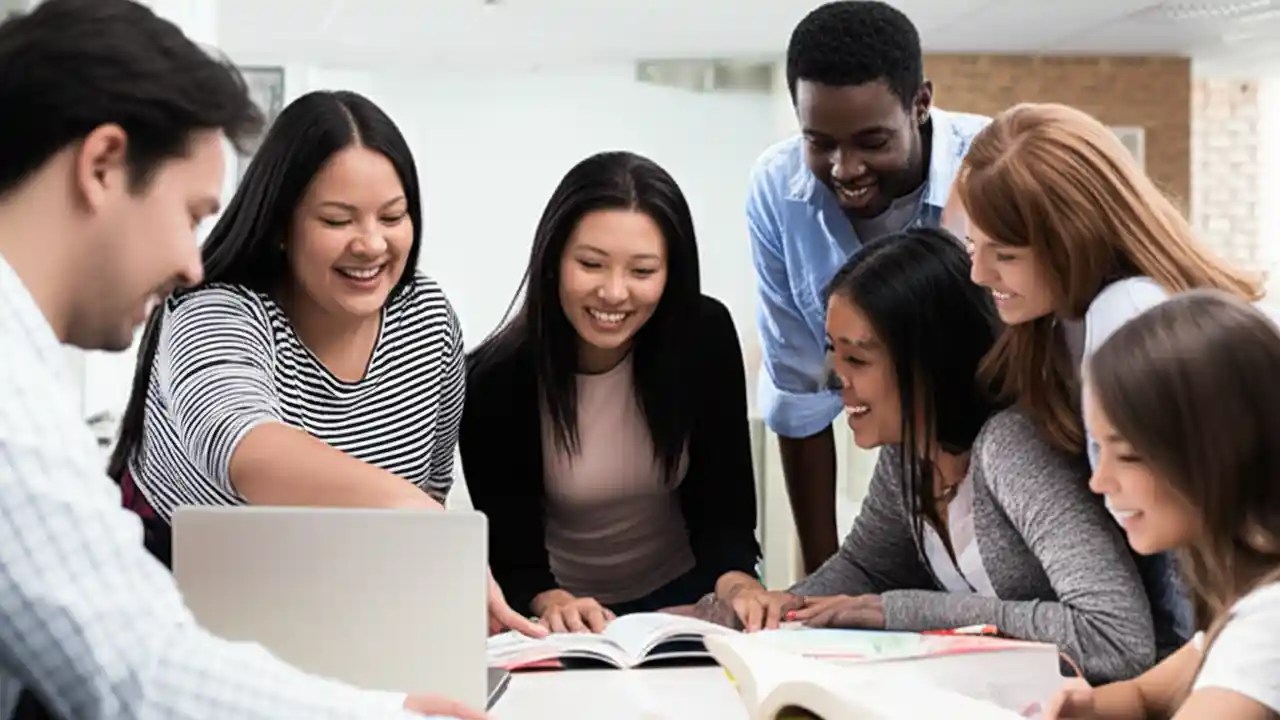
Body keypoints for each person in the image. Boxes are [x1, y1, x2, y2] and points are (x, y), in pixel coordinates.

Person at [0, 0, 484, 716]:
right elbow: (132, 662)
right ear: (102, 166)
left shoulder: (24, 370)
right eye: (192, 215)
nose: (190, 264)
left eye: (391, 216)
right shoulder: (14, 396)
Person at [104, 87, 542, 642]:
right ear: (283, 225)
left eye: (393, 216)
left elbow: (428, 493)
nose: (371, 244)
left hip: (339, 615)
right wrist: (414, 514)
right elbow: (247, 450)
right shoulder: (214, 310)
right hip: (174, 608)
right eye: (338, 220)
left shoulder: (428, 320)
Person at [719, 229, 1154, 684]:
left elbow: (1116, 639)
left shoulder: (1013, 448)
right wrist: (776, 610)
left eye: (858, 360)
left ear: (928, 361)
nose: (832, 380)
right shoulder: (907, 454)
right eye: (834, 353)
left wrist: (902, 612)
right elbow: (866, 569)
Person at [957, 101, 1267, 657]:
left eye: (1003, 253)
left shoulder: (1128, 314)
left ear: (1071, 238)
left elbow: (1182, 562)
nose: (980, 274)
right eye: (972, 247)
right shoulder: (1068, 319)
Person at [461, 151, 762, 631]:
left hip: (686, 603)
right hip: (563, 614)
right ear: (553, 260)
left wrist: (740, 583)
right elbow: (513, 556)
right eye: (591, 264)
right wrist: (549, 600)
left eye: (642, 272)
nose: (615, 293)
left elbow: (726, 517)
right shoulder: (495, 378)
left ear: (671, 274)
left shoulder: (704, 337)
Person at [748, 0, 990, 573]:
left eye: (871, 142)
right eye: (820, 142)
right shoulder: (776, 191)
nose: (845, 167)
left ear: (921, 104)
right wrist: (822, 576)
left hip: (997, 457)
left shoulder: (989, 166)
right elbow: (800, 393)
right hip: (904, 473)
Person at [1046, 290, 1280, 719]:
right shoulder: (1247, 605)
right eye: (1099, 449)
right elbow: (1146, 695)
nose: (1099, 481)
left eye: (1129, 455)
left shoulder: (1268, 622)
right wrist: (1089, 708)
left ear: (1218, 453)